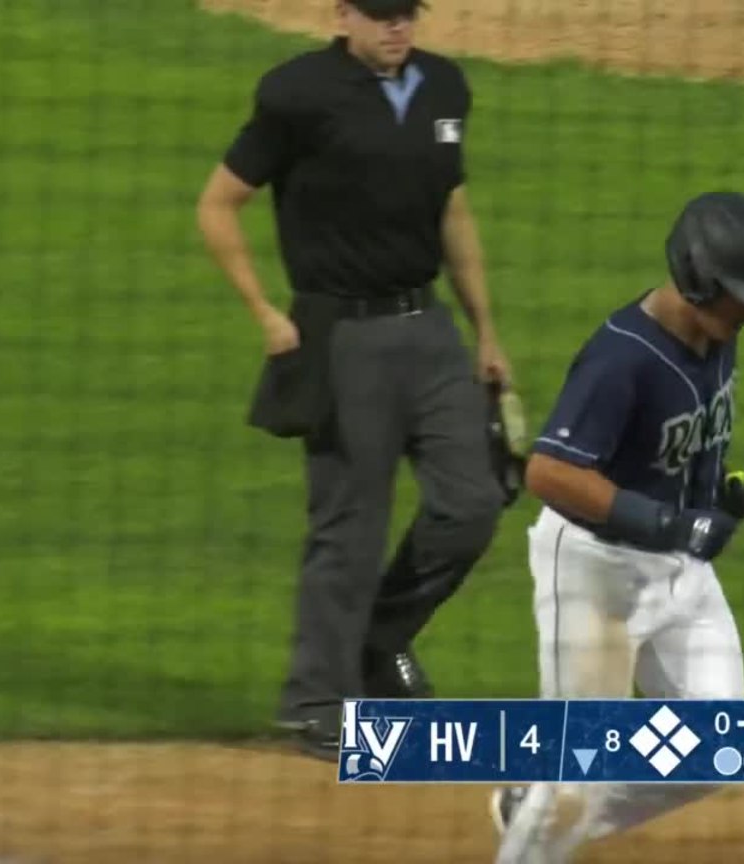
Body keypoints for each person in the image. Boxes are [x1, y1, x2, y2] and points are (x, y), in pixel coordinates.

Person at [194, 0, 514, 760]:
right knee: (351, 529)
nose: (397, 26)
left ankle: (379, 640)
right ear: (343, 16)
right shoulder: (298, 94)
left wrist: (485, 331)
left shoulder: (443, 88)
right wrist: (265, 312)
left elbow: (453, 212)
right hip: (342, 336)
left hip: (429, 331)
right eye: (380, 14)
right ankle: (314, 702)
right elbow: (218, 204)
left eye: (408, 13)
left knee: (473, 503)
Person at [488, 191, 744, 863]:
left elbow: (684, 451)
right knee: (578, 771)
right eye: (739, 295)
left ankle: (535, 809)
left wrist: (715, 504)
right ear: (696, 277)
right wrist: (667, 522)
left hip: (678, 572)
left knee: (723, 750)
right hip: (596, 576)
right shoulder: (621, 357)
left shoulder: (715, 337)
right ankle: (543, 823)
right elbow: (547, 472)